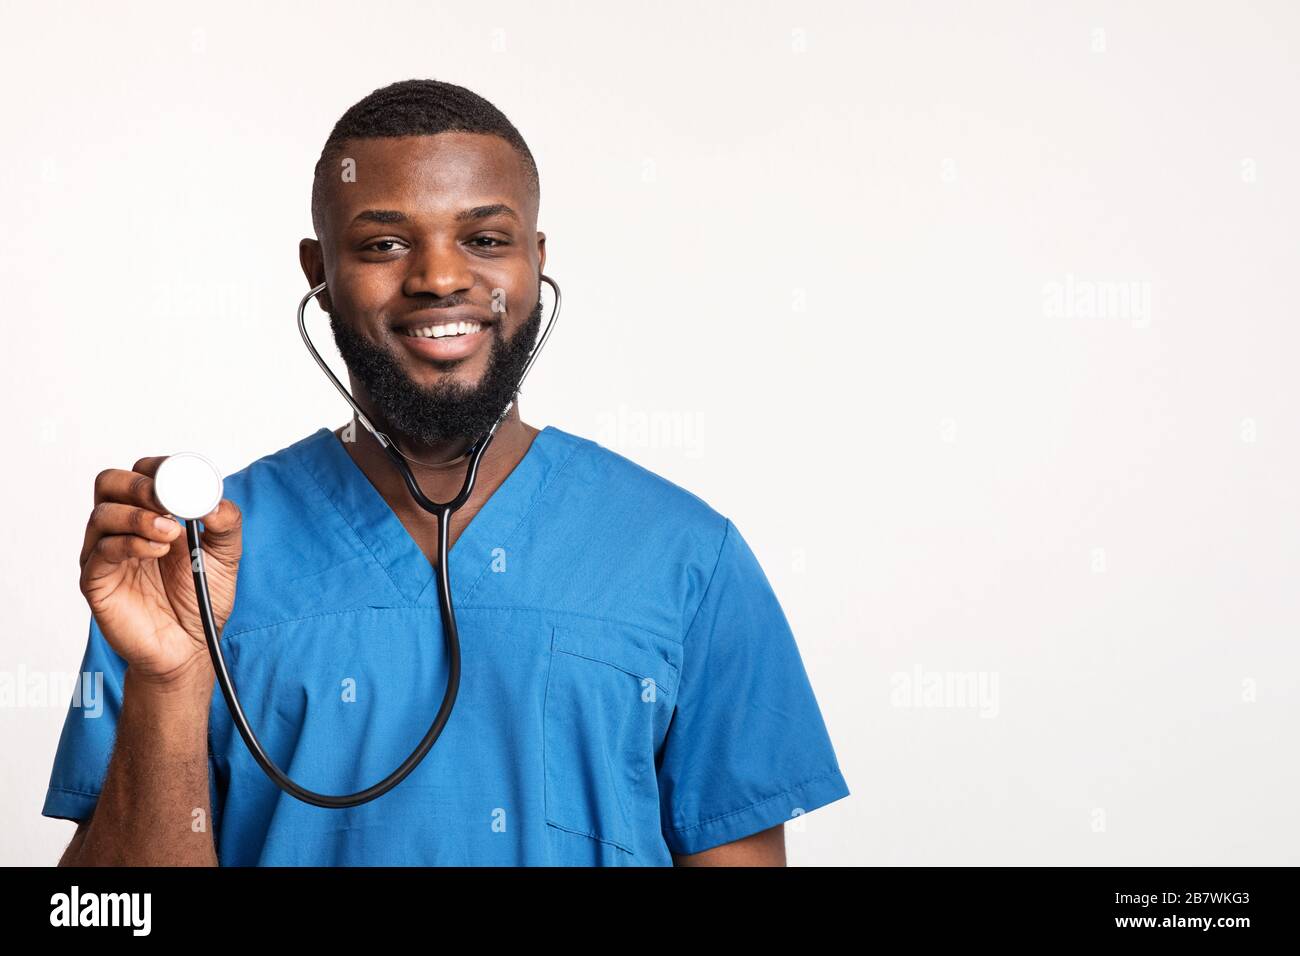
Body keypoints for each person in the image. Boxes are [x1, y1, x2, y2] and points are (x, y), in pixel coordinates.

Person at [44, 79, 850, 866]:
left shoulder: (686, 556)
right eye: (384, 243)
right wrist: (170, 679)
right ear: (317, 275)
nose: (438, 276)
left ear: (536, 264)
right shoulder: (185, 562)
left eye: (486, 240)